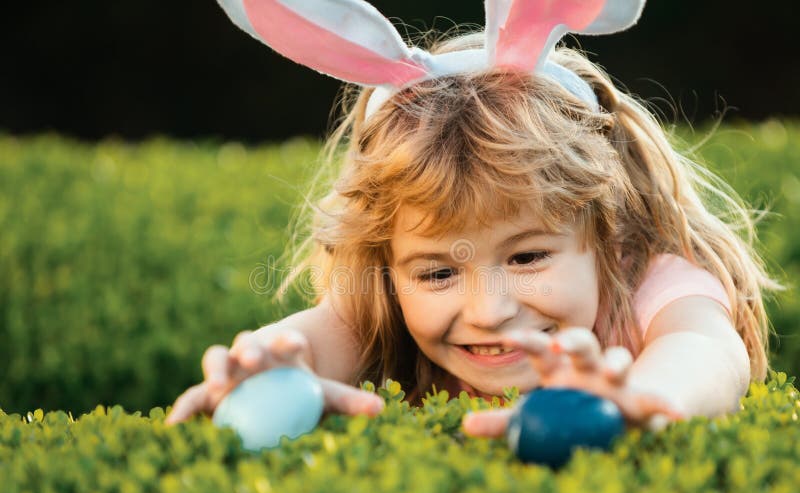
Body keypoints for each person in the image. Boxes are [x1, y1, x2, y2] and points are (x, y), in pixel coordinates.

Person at [165, 0, 783, 437]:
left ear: (608, 232)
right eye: (436, 274)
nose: (489, 312)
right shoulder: (384, 298)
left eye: (527, 257)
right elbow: (324, 333)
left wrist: (644, 398)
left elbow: (704, 349)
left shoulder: (653, 284)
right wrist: (276, 361)